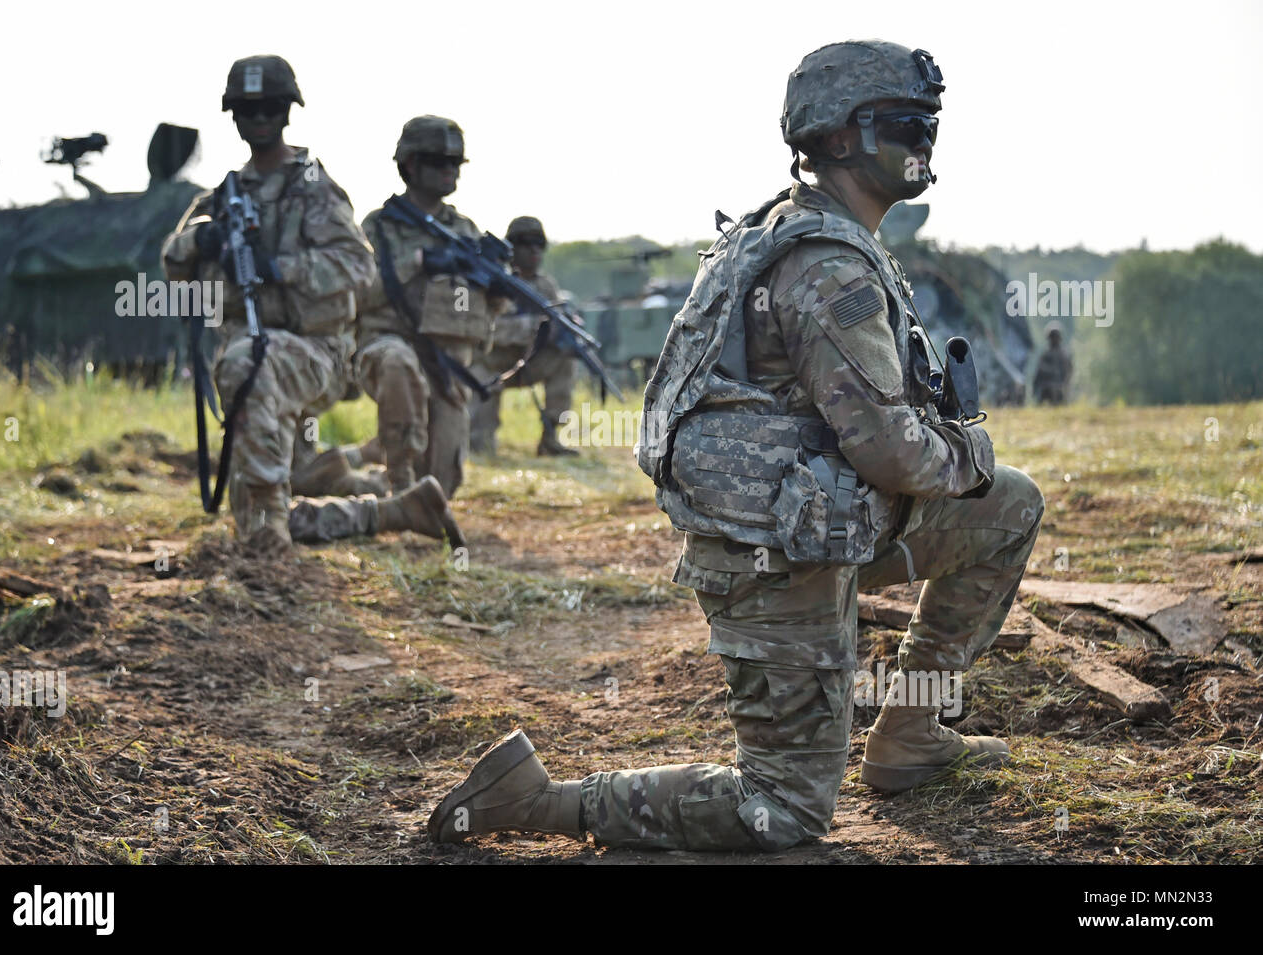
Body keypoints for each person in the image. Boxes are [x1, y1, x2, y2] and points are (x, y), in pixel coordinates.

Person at [428, 40, 1044, 852]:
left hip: (815, 524)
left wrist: (969, 471)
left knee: (1008, 508)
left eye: (929, 123)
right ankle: (538, 798)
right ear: (836, 139)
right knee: (784, 809)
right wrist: (968, 455)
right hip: (771, 558)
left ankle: (911, 731)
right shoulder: (829, 266)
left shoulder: (801, 230)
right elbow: (888, 452)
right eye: (903, 123)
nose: (923, 139)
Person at [163, 57, 461, 552]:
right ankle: (392, 509)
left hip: (315, 353)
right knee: (258, 515)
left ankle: (274, 546)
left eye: (270, 107)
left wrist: (283, 267)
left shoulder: (315, 189)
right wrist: (201, 241)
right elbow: (172, 264)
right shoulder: (222, 197)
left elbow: (358, 267)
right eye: (248, 108)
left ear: (287, 112)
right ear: (233, 117)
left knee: (247, 364)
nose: (259, 117)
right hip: (251, 367)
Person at [352, 116, 498, 499]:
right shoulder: (378, 227)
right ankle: (397, 484)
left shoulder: (466, 232)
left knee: (440, 485)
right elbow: (357, 294)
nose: (450, 171)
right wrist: (416, 261)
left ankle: (355, 472)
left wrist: (494, 283)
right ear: (411, 165)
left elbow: (487, 314)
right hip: (385, 346)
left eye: (455, 164)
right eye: (439, 162)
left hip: (446, 362)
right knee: (399, 363)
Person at [468, 216, 579, 457]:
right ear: (512, 247)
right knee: (480, 447)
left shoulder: (545, 285)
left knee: (567, 357)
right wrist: (531, 328)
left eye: (540, 244)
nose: (534, 251)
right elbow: (481, 327)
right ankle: (480, 442)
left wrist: (564, 328)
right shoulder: (494, 280)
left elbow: (556, 319)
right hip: (489, 364)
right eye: (526, 243)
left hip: (527, 364)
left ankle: (550, 438)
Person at [1032, 320, 1073, 405]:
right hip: (1046, 390)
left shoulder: (1064, 356)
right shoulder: (1045, 355)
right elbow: (1038, 375)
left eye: (1055, 337)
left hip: (1059, 390)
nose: (1054, 339)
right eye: (1052, 337)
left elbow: (1068, 374)